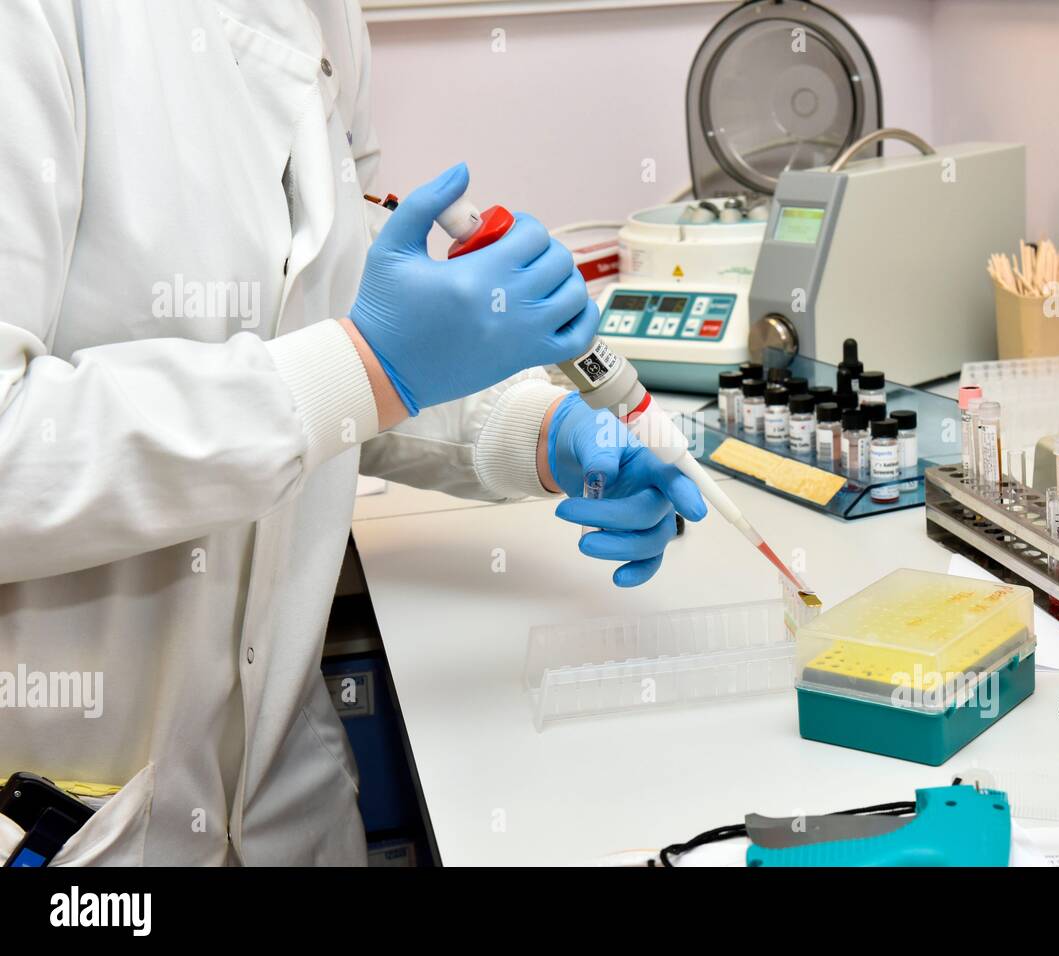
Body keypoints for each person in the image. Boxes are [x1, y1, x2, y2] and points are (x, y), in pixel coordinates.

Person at [0, 0, 704, 865]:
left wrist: (537, 430)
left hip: (285, 791)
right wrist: (371, 365)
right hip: (67, 809)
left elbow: (328, 333)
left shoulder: (322, 18)